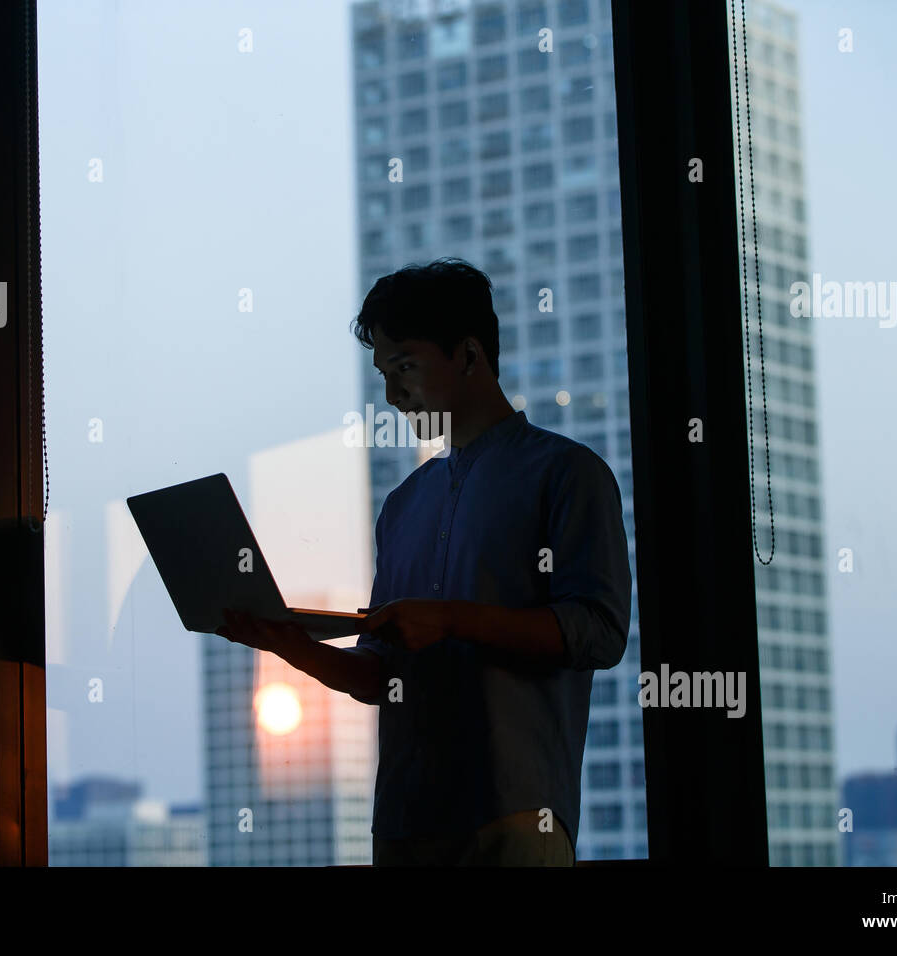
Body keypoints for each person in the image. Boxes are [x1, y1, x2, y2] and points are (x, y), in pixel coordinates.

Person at [217, 257, 632, 866]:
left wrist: (450, 619)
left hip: (513, 816)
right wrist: (289, 646)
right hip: (403, 823)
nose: (391, 394)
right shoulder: (404, 504)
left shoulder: (568, 474)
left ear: (469, 355)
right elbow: (384, 678)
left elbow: (600, 633)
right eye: (385, 373)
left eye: (405, 366)